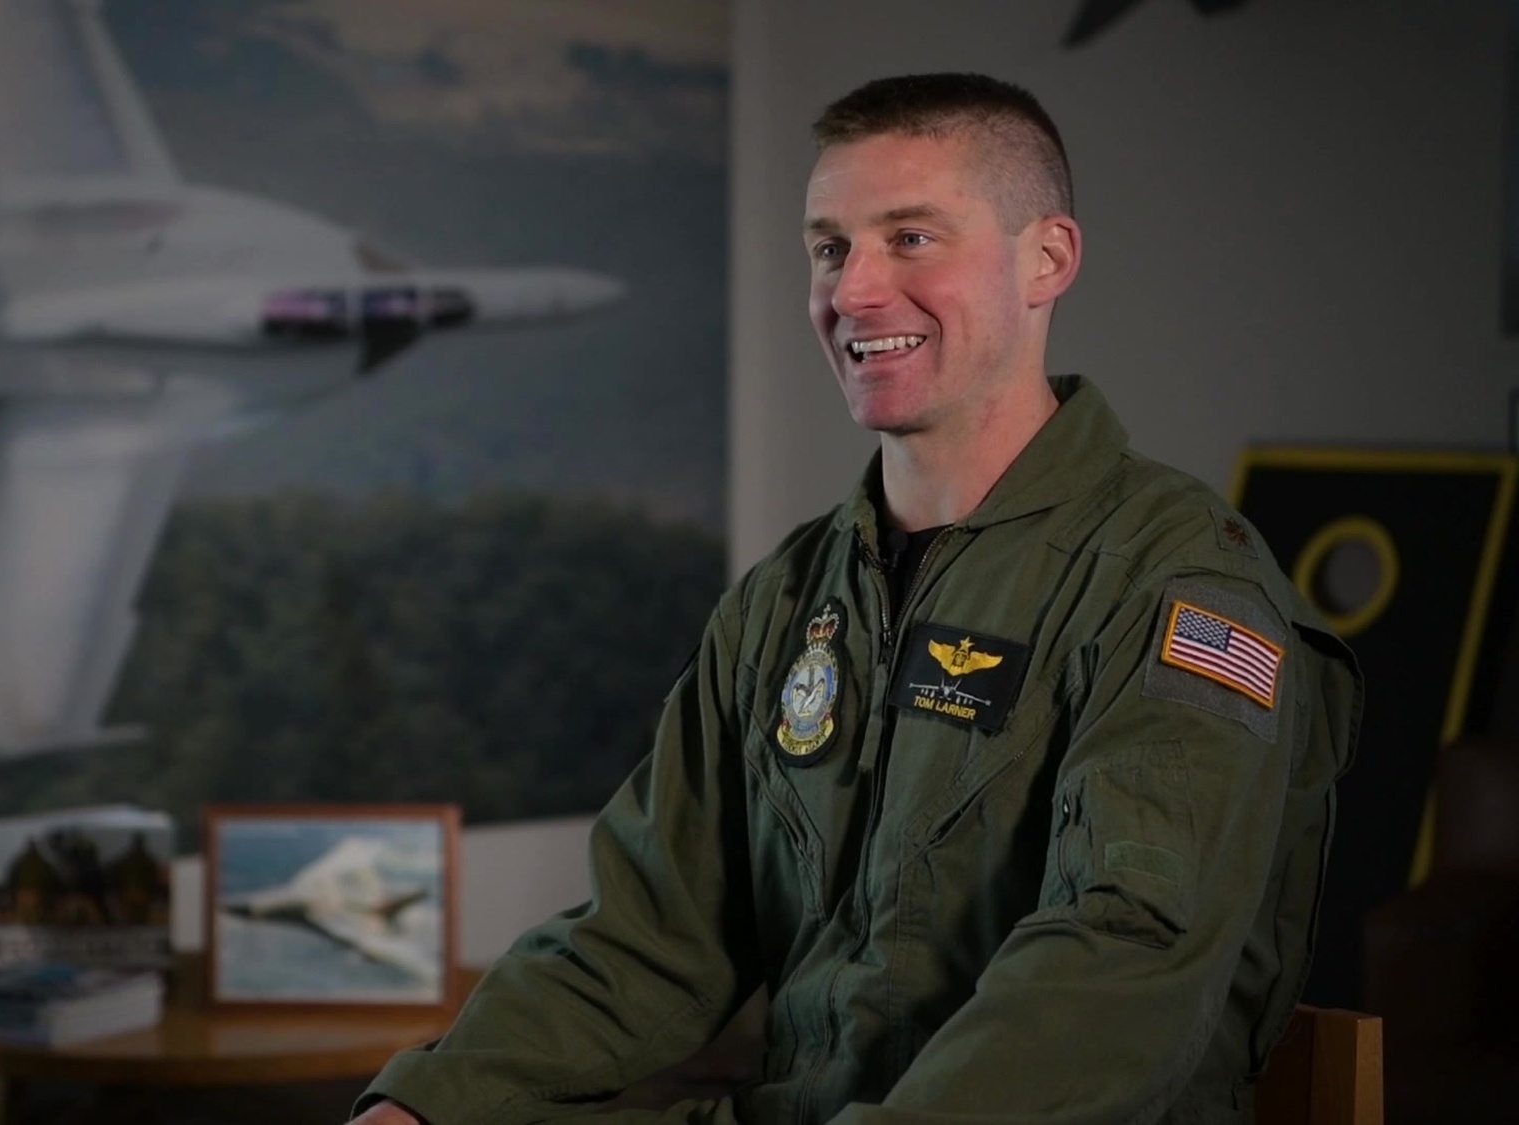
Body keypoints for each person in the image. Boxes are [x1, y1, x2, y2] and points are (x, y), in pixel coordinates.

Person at [348, 72, 1361, 1125]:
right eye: (830, 249)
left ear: (1047, 259)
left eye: (911, 238)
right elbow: (644, 936)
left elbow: (1120, 964)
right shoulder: (783, 601)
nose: (855, 291)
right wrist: (424, 1105)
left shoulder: (1175, 584)